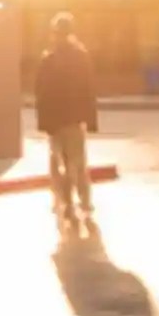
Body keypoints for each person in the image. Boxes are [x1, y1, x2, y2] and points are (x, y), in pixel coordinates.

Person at [35, 12, 99, 227]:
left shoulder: (48, 59)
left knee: (58, 164)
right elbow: (89, 90)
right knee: (78, 164)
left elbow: (41, 94)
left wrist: (44, 123)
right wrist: (90, 120)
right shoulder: (81, 57)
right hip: (74, 120)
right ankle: (85, 202)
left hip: (56, 122)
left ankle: (66, 204)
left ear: (54, 34)